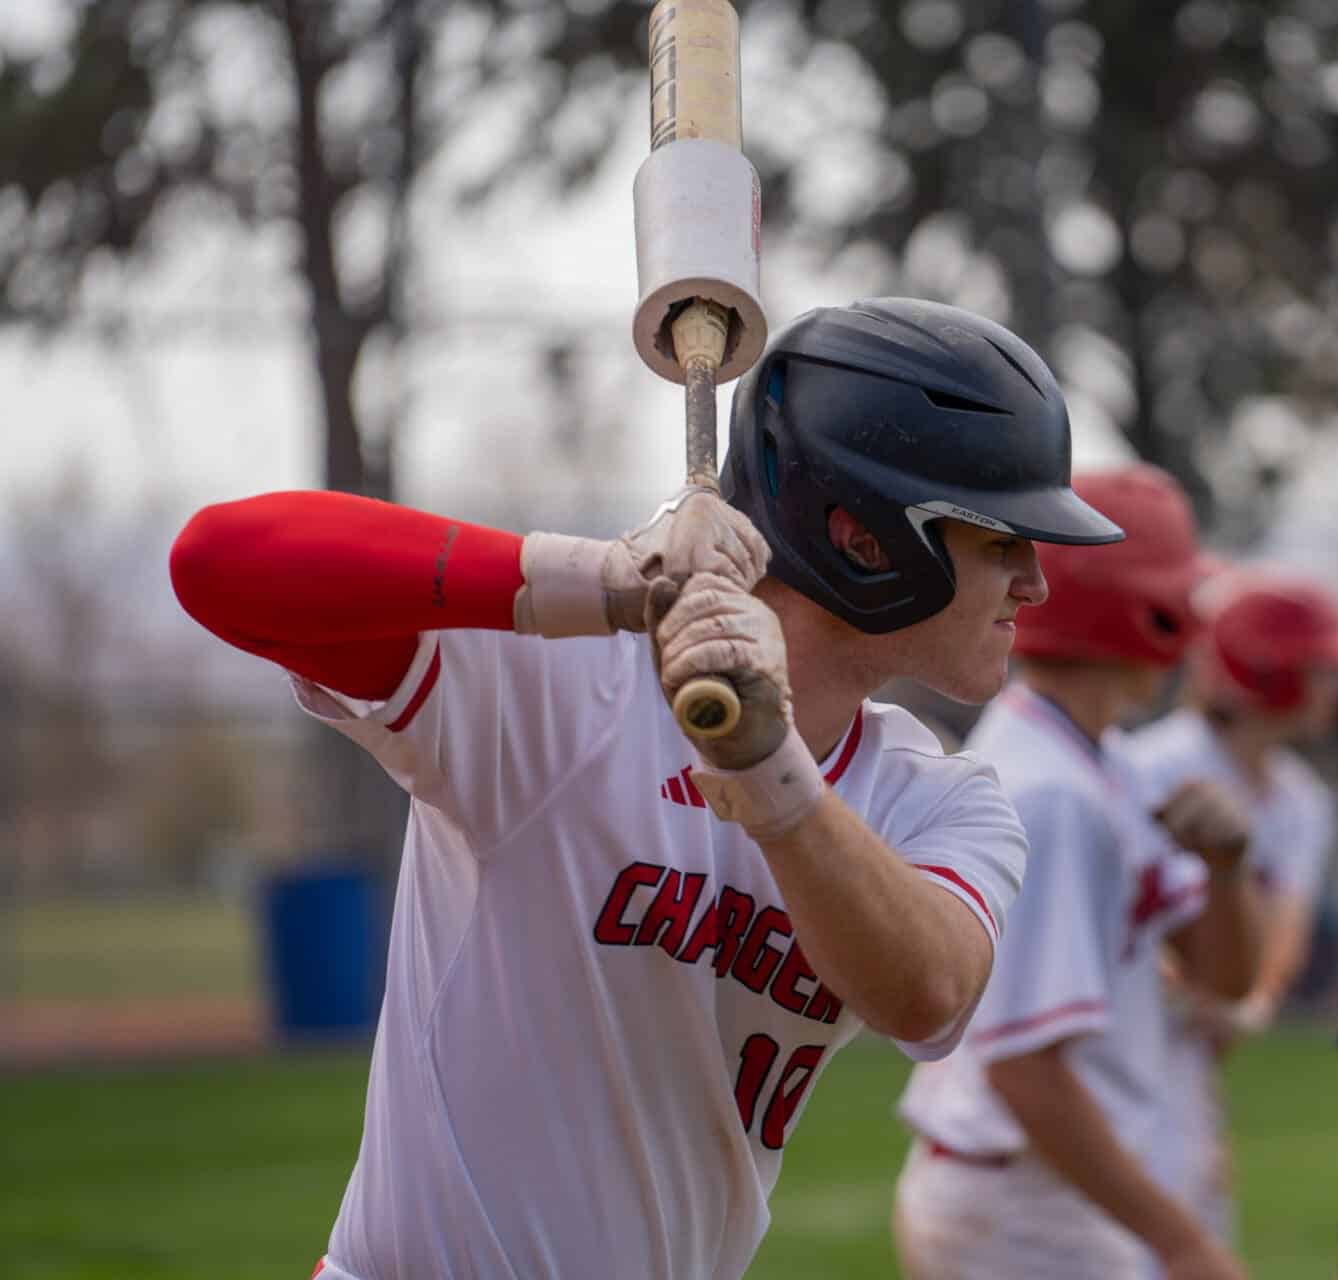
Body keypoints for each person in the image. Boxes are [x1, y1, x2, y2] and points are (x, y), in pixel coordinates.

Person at [168, 298, 1127, 1280]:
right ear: (867, 539)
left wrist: (769, 769)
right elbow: (217, 562)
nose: (1036, 583)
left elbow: (926, 994)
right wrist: (599, 577)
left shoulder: (943, 799)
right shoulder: (566, 683)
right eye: (1002, 542)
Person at [893, 464, 1265, 1280]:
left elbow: (1224, 981)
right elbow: (1025, 1071)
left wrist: (1227, 873)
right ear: (1146, 611)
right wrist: (1183, 1243)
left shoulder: (1102, 761)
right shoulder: (1052, 793)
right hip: (1026, 1203)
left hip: (1042, 1189)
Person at [1117, 574, 1338, 1247]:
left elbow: (1283, 938)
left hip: (1186, 1057)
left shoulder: (1301, 798)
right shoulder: (1150, 766)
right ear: (1268, 671)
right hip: (1114, 1043)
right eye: (1322, 669)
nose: (1337, 688)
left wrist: (1248, 1004)